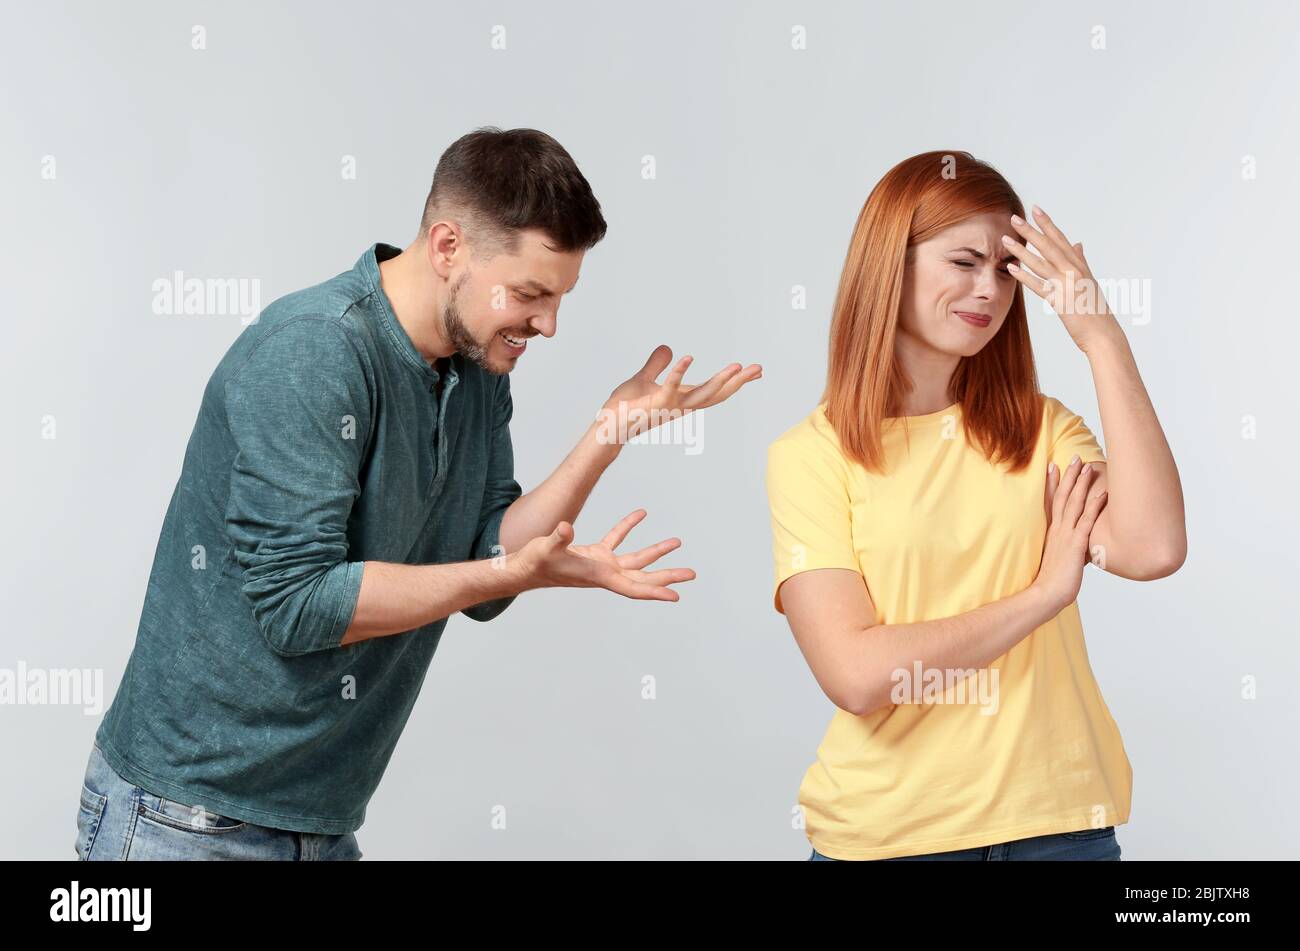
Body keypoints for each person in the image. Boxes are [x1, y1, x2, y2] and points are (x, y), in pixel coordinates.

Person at [76, 126, 761, 860]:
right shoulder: (313, 352)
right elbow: (298, 606)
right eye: (530, 293)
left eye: (561, 297)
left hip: (319, 821)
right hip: (186, 820)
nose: (549, 324)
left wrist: (610, 432)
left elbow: (488, 564)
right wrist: (502, 571)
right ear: (446, 248)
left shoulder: (476, 373)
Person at [766, 150, 1186, 862]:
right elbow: (859, 676)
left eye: (1004, 270)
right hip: (891, 839)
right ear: (887, 266)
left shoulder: (1041, 430)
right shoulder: (812, 454)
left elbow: (1151, 548)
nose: (988, 289)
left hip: (1059, 828)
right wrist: (1044, 594)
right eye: (964, 261)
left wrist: (1100, 336)